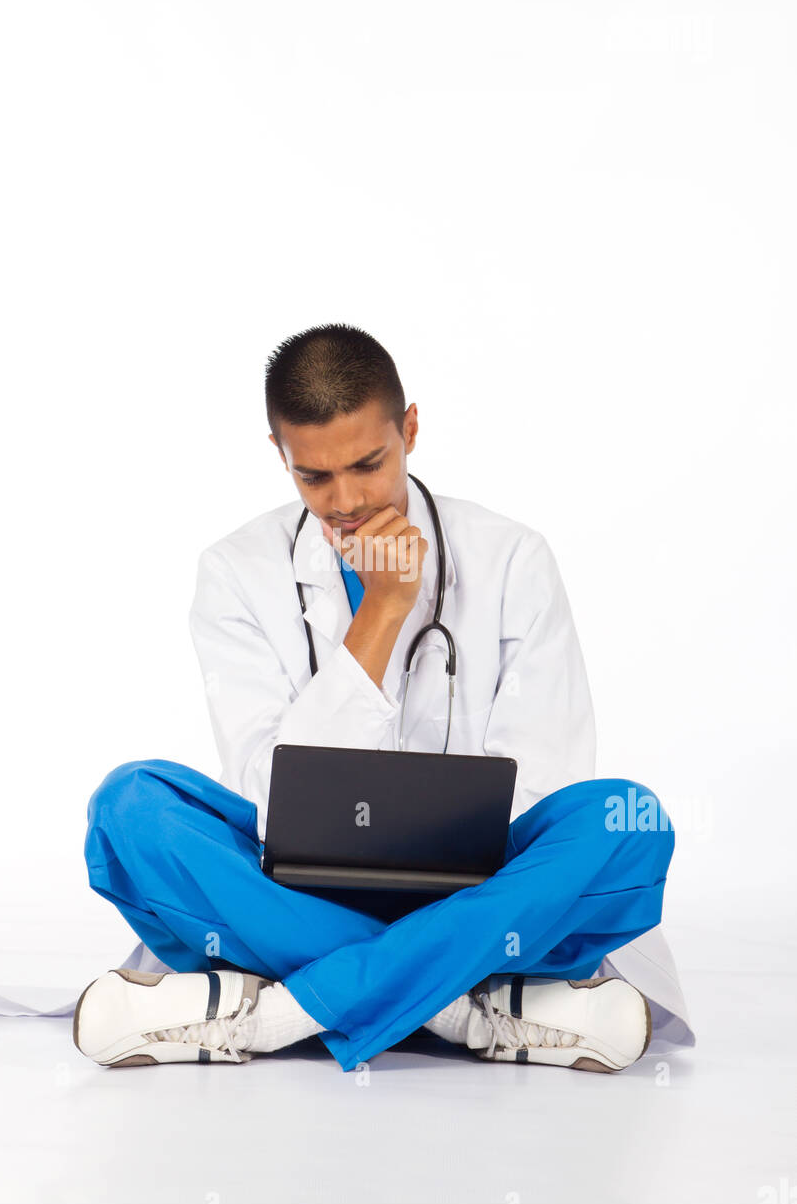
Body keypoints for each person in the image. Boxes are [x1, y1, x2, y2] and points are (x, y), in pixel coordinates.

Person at [74, 323, 693, 1074]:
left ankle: (273, 1014)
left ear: (410, 429)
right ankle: (465, 1008)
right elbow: (268, 797)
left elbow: (545, 785)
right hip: (307, 892)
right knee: (129, 809)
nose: (348, 502)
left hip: (478, 890)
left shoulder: (512, 558)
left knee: (625, 824)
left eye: (370, 463)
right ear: (279, 454)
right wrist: (383, 612)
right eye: (315, 478)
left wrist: (456, 876)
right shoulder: (234, 572)